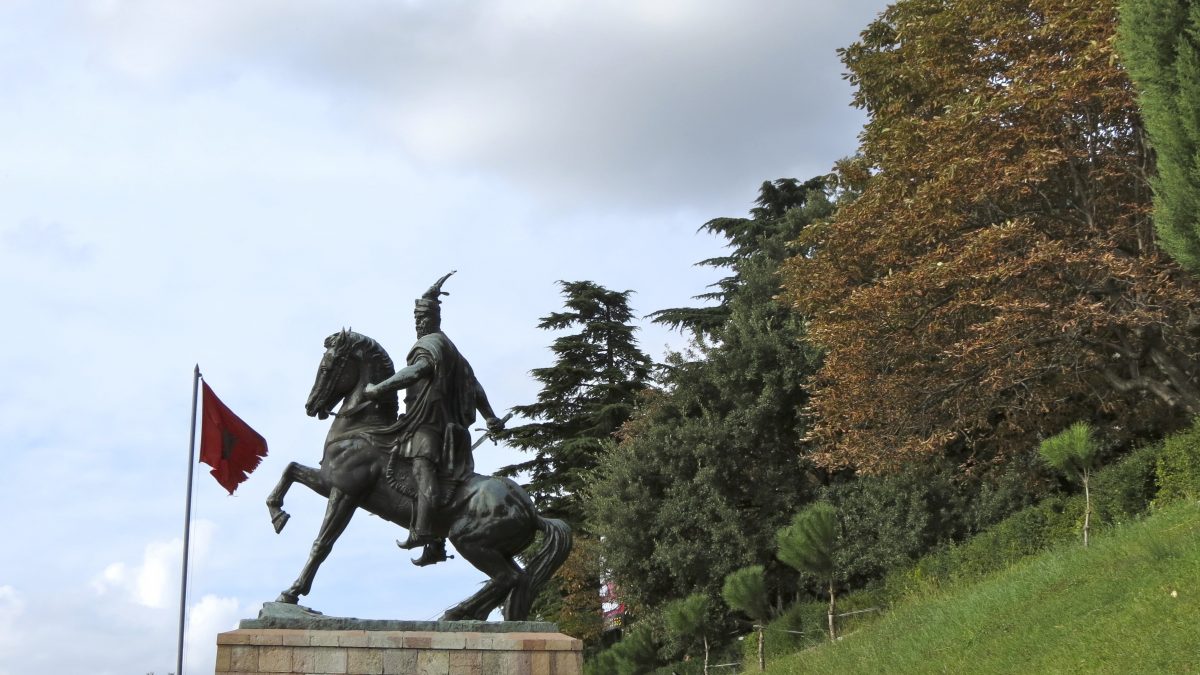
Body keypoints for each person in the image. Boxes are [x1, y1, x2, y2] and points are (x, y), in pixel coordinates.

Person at [363, 271, 505, 566]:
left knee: (421, 469)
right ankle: (436, 544)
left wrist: (379, 388)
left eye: (422, 319)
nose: (418, 324)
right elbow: (474, 385)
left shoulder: (431, 344)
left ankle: (424, 531)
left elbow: (416, 372)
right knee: (428, 477)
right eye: (416, 319)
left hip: (430, 423)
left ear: (432, 320)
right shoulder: (451, 349)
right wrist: (490, 417)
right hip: (443, 426)